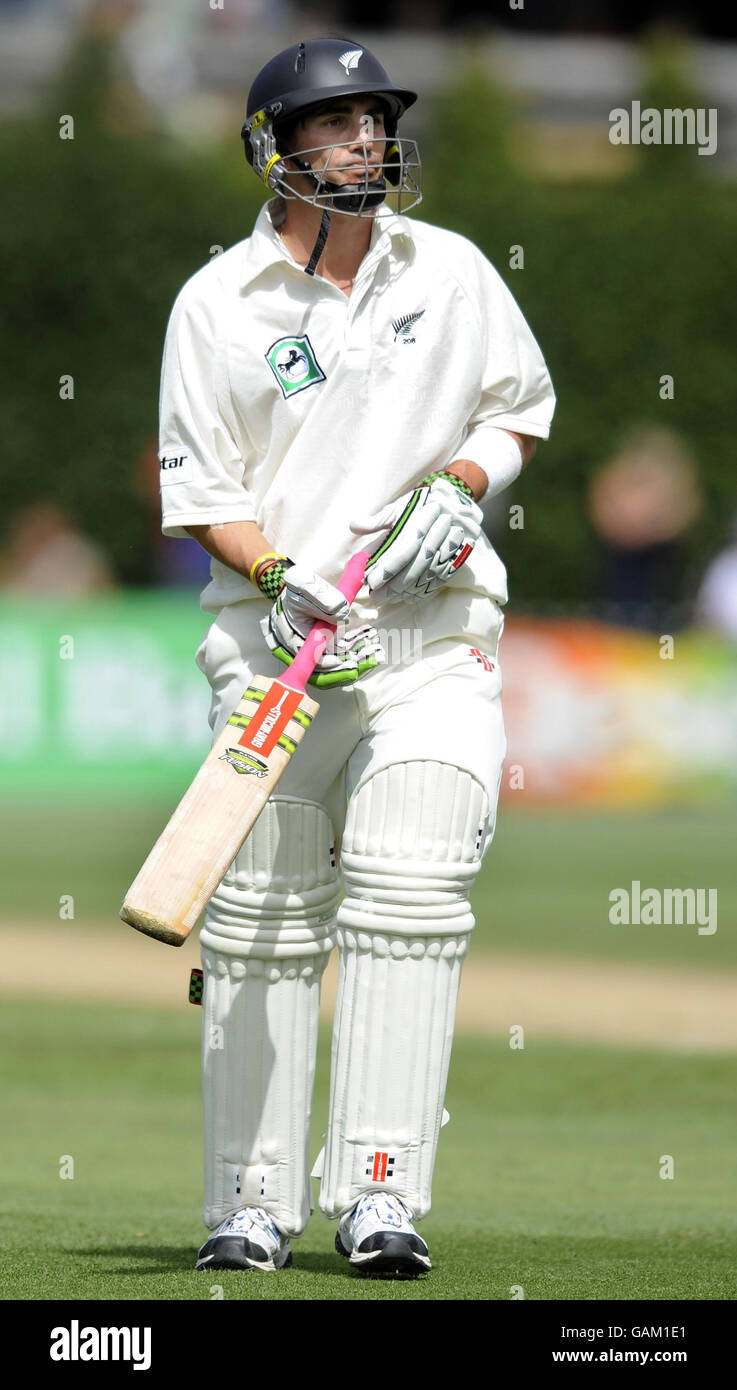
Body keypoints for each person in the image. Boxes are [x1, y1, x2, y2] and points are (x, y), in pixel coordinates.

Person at [157, 37, 555, 1278]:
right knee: (265, 920)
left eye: (374, 120)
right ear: (273, 148)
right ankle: (250, 1200)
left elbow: (519, 405)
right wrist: (279, 576)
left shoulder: (453, 268)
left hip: (431, 637)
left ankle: (380, 1195)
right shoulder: (217, 303)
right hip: (279, 650)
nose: (364, 142)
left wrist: (463, 482)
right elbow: (199, 489)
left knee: (413, 888)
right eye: (334, 124)